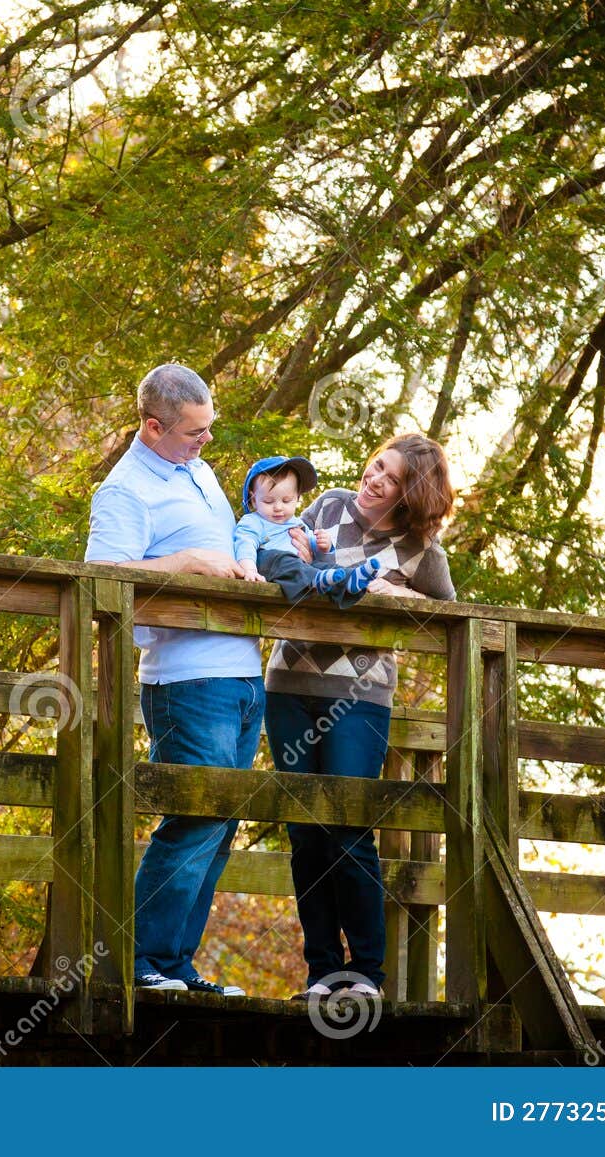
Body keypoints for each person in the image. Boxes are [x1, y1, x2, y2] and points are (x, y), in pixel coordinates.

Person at [85, 363, 309, 995]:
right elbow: (102, 582)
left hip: (240, 674)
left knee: (220, 823)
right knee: (193, 819)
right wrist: (185, 563)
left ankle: (175, 965)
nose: (207, 440)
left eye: (210, 427)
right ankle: (138, 965)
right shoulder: (125, 491)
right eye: (193, 431)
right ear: (153, 427)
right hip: (186, 681)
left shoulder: (202, 471)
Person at [263, 432, 456, 1001]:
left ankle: (366, 978)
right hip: (289, 685)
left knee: (349, 832)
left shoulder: (423, 550)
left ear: (412, 493)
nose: (375, 480)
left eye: (392, 477)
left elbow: (449, 619)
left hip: (360, 698)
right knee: (305, 836)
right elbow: (280, 562)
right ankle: (321, 975)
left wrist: (404, 601)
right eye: (377, 466)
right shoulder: (326, 506)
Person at [233, 455, 382, 605]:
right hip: (270, 565)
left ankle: (349, 580)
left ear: (297, 497)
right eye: (268, 501)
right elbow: (245, 544)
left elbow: (312, 547)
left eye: (286, 500)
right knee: (286, 561)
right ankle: (315, 579)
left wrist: (324, 545)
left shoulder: (296, 523)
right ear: (253, 499)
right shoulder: (253, 521)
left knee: (326, 567)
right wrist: (249, 570)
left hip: (301, 567)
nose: (278, 507)